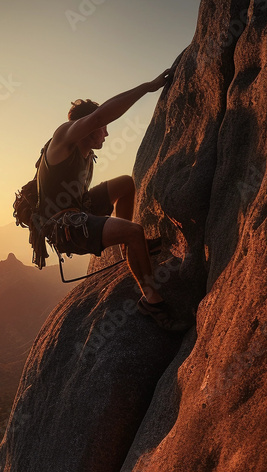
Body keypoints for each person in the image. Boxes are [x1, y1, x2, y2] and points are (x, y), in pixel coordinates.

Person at [35, 68, 189, 332]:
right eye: (102, 128)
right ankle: (151, 299)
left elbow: (98, 120)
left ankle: (128, 247)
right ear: (88, 127)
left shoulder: (83, 152)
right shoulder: (63, 138)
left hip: (78, 208)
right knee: (133, 232)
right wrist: (147, 87)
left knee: (126, 184)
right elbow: (100, 115)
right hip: (65, 227)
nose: (106, 132)